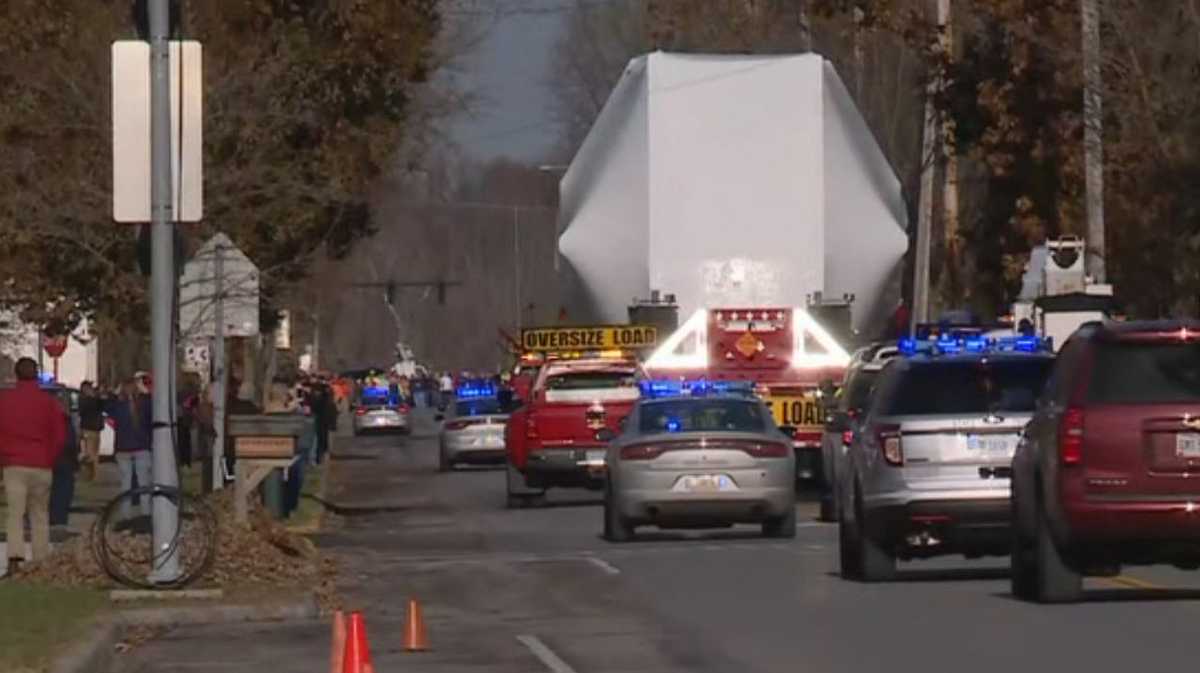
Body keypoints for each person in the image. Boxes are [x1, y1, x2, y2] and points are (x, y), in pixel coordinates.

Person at [0, 358, 67, 571]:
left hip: (14, 463)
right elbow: (59, 433)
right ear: (36, 374)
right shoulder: (48, 402)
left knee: (15, 513)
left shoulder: (6, 400)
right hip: (41, 463)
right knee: (39, 513)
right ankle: (40, 558)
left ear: (16, 374)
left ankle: (16, 556)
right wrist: (50, 457)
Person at [107, 380, 153, 520]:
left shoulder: (117, 407)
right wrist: (146, 392)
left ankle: (126, 514)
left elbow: (106, 407)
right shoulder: (144, 406)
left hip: (122, 448)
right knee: (143, 482)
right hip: (141, 447)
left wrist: (113, 394)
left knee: (125, 483)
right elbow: (154, 411)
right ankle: (145, 512)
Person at [49, 394, 79, 528]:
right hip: (64, 459)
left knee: (51, 490)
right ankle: (59, 519)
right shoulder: (65, 420)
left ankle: (52, 516)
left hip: (50, 459)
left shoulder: (45, 418)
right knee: (63, 491)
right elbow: (71, 442)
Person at [77, 381, 105, 481]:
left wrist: (97, 396)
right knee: (89, 453)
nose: (91, 389)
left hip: (95, 429)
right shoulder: (84, 399)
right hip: (88, 429)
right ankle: (90, 474)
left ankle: (94, 475)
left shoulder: (94, 398)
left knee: (94, 453)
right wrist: (93, 397)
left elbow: (101, 406)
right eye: (89, 387)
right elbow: (83, 410)